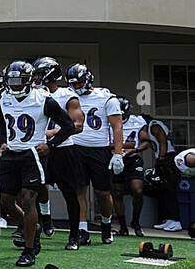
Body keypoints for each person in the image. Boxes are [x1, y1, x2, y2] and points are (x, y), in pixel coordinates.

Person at [0, 60, 78, 266]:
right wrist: (4, 141)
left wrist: (52, 144)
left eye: (18, 81)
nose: (14, 86)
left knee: (28, 198)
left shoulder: (44, 100)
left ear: (29, 81)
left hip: (33, 154)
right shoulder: (4, 99)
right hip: (12, 153)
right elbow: (2, 122)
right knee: (5, 201)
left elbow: (68, 126)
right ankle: (32, 227)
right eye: (11, 81)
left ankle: (29, 250)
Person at [65, 64, 124, 246]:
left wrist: (118, 153)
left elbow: (117, 126)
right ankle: (82, 229)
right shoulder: (69, 97)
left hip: (99, 149)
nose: (77, 87)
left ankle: (106, 225)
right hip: (76, 147)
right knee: (78, 190)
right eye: (74, 83)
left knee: (103, 193)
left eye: (80, 82)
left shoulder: (106, 97)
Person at [33, 56, 85, 248]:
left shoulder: (67, 95)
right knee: (34, 190)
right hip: (40, 149)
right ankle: (41, 224)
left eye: (39, 72)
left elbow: (77, 125)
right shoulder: (34, 94)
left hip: (63, 149)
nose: (36, 77)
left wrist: (51, 135)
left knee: (70, 193)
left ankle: (73, 235)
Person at [112, 97, 149, 236]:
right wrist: (118, 147)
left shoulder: (138, 121)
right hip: (114, 159)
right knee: (117, 192)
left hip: (132, 158)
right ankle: (123, 226)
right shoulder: (108, 120)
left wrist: (136, 150)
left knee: (137, 190)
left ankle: (136, 221)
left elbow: (145, 141)